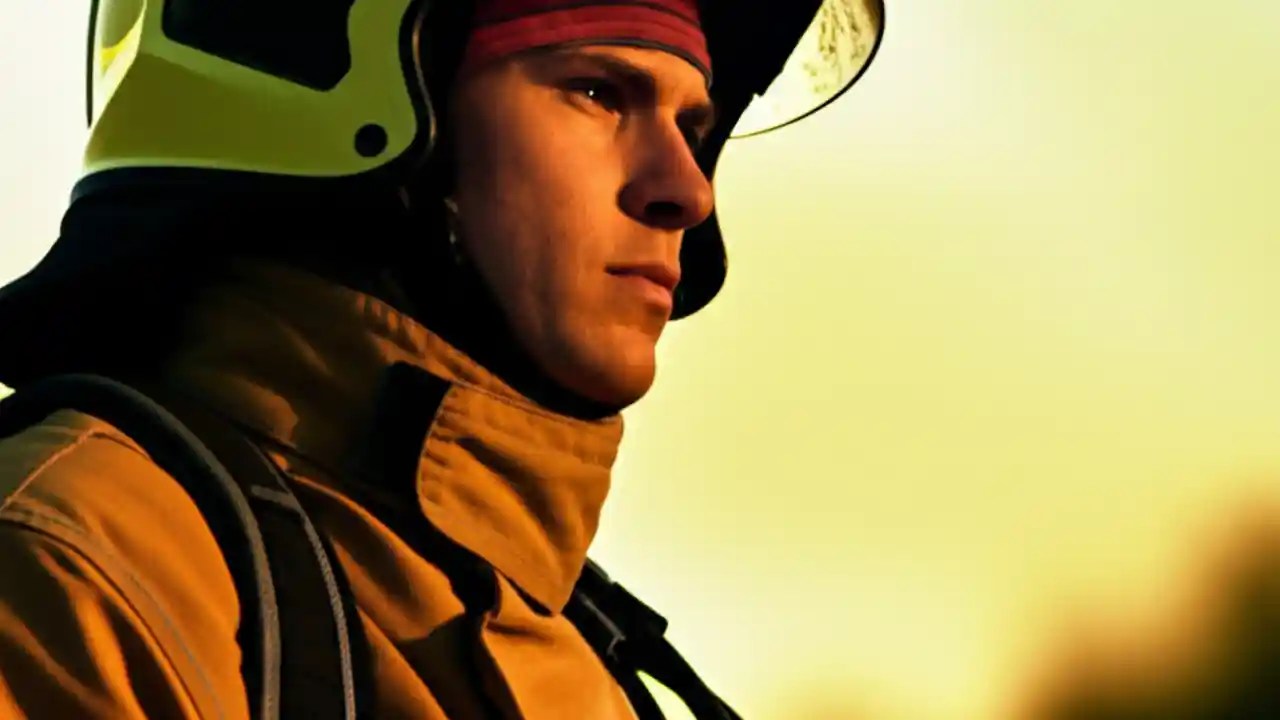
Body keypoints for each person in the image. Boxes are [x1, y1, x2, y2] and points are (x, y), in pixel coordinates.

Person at [0, 0, 883, 717]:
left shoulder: (592, 659)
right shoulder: (76, 575)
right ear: (311, 91)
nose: (686, 189)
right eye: (599, 94)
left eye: (692, 124)